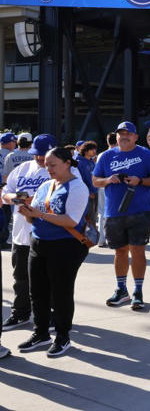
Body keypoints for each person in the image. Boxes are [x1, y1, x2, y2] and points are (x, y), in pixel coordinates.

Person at [17, 147, 90, 358]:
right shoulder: (46, 185)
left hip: (65, 245)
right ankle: (40, 333)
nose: (47, 168)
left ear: (67, 163)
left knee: (61, 293)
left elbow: (71, 220)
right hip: (38, 242)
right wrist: (28, 213)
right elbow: (36, 218)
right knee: (37, 291)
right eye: (46, 164)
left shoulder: (77, 187)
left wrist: (39, 213)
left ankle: (62, 336)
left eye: (52, 165)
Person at [92, 121, 150, 310]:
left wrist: (140, 181)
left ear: (135, 137)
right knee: (120, 251)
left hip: (140, 210)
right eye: (120, 133)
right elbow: (95, 180)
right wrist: (108, 180)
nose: (124, 136)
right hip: (114, 212)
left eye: (128, 133)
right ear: (116, 136)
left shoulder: (145, 154)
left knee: (138, 250)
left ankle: (138, 290)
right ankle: (121, 288)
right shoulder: (106, 156)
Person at [1, 134, 58, 331]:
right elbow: (6, 192)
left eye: (44, 155)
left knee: (48, 278)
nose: (41, 159)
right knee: (20, 278)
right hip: (20, 233)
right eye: (37, 155)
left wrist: (31, 200)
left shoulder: (61, 171)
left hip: (47, 234)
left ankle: (51, 314)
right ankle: (21, 313)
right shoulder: (22, 169)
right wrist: (17, 198)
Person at [95, 132, 118, 248]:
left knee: (101, 213)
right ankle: (111, 239)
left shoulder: (101, 155)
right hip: (115, 186)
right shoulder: (119, 154)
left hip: (102, 185)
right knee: (114, 213)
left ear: (108, 141)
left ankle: (101, 239)